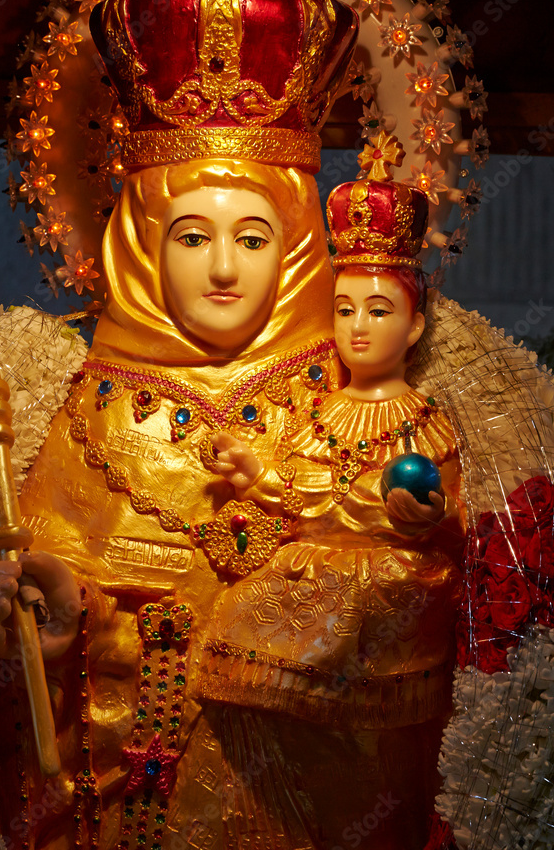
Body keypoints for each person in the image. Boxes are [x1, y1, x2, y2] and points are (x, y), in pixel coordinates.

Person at [0, 0, 361, 850]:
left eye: (252, 237)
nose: (222, 269)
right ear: (142, 245)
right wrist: (44, 627)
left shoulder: (363, 411)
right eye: (192, 236)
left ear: (298, 245)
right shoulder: (81, 418)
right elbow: (45, 664)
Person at [189, 167, 466, 849]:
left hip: (391, 584)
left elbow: (440, 508)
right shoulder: (313, 415)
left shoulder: (425, 422)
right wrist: (254, 472)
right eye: (343, 310)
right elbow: (296, 494)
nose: (358, 328)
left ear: (414, 324)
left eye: (378, 311)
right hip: (308, 577)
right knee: (232, 628)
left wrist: (416, 512)